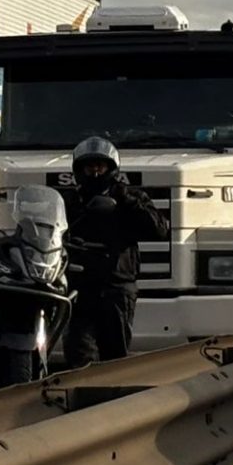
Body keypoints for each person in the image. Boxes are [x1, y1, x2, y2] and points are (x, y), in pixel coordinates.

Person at [60, 136, 168, 367]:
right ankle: (81, 389)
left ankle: (115, 390)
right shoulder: (70, 200)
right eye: (89, 167)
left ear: (111, 168)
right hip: (79, 284)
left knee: (115, 355)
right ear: (79, 170)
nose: (95, 172)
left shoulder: (130, 197)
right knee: (78, 350)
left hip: (117, 284)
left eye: (100, 166)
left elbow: (159, 230)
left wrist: (126, 199)